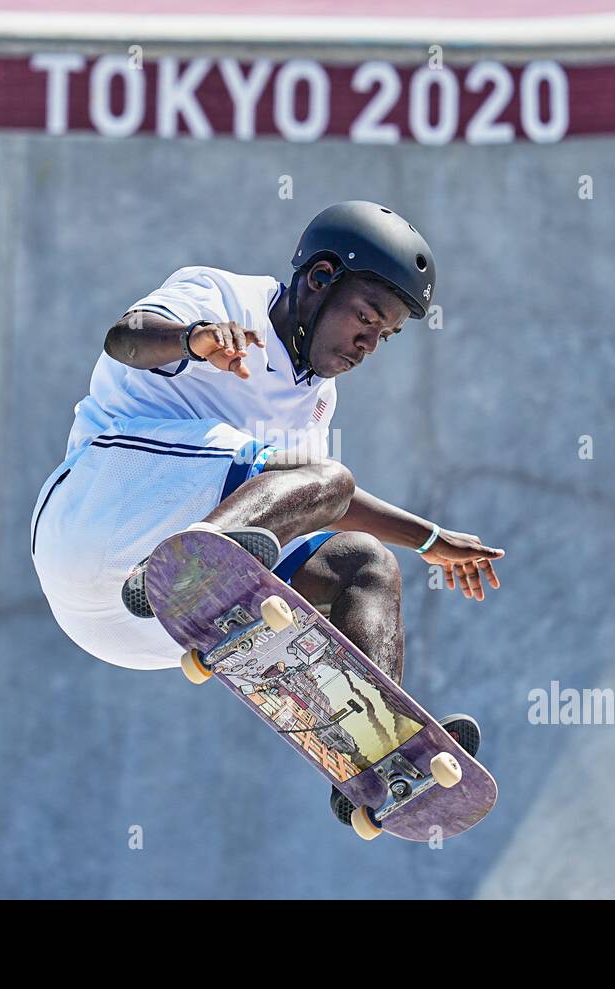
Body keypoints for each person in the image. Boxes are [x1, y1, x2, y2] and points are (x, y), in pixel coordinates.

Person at [31, 201, 504, 824]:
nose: (368, 343)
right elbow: (124, 340)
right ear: (319, 279)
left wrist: (430, 538)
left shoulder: (315, 398)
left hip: (132, 633)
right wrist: (193, 341)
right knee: (324, 477)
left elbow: (315, 498)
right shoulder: (223, 296)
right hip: (94, 516)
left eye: (384, 334)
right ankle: (196, 561)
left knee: (366, 567)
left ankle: (372, 757)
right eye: (364, 316)